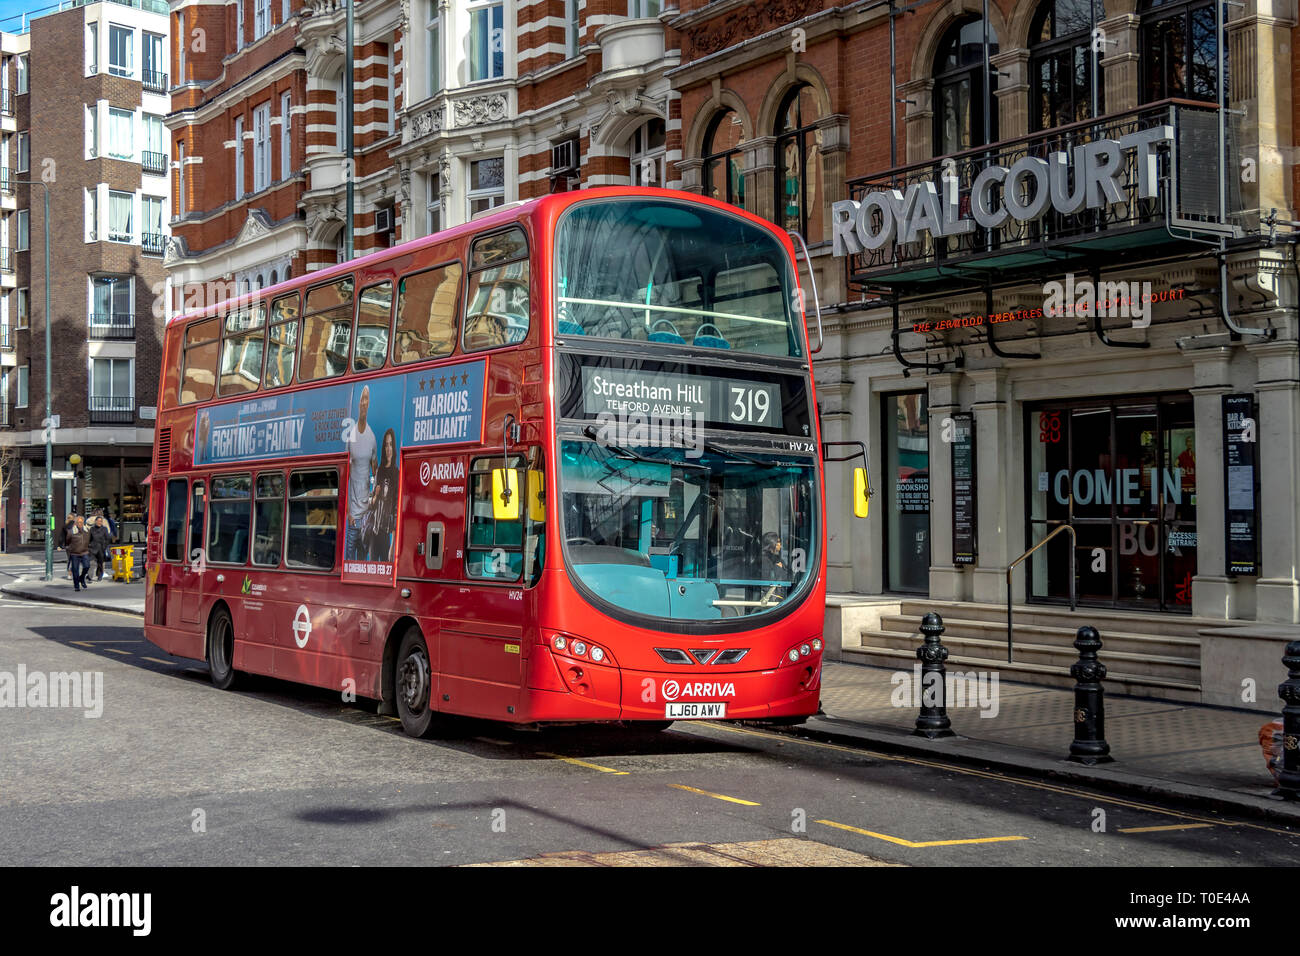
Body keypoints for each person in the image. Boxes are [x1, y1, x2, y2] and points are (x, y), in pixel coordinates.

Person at [344, 385, 378, 560]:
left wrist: (373, 498)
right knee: (348, 561)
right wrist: (349, 512)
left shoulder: (372, 438)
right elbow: (345, 476)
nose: (364, 403)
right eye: (362, 399)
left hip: (365, 518)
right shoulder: (351, 436)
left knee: (362, 564)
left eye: (367, 399)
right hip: (352, 518)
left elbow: (376, 474)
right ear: (358, 404)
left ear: (369, 404)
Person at [364, 428, 399, 562]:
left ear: (393, 447)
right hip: (374, 531)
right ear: (384, 448)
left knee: (385, 569)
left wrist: (393, 543)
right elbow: (370, 506)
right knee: (372, 568)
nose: (388, 448)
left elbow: (395, 508)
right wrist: (375, 496)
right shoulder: (379, 471)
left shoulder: (396, 473)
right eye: (386, 445)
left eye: (390, 444)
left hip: (386, 533)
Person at [65, 515, 91, 591]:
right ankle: (76, 586)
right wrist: (70, 548)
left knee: (87, 566)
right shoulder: (71, 531)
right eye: (78, 522)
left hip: (84, 552)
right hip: (74, 553)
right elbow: (68, 541)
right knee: (75, 570)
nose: (80, 524)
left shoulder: (87, 530)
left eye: (81, 522)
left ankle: (82, 578)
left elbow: (90, 539)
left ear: (83, 523)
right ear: (75, 523)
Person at [89, 516, 112, 582]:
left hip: (101, 548)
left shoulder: (104, 529)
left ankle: (99, 576)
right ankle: (90, 576)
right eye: (98, 521)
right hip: (93, 548)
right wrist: (89, 546)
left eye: (101, 521)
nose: (99, 522)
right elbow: (89, 539)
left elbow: (107, 538)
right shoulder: (92, 529)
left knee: (100, 563)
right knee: (92, 563)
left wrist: (104, 546)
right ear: (95, 521)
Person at [57, 513, 76, 579]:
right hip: (76, 545)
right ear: (74, 518)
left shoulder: (65, 526)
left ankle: (69, 574)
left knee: (70, 559)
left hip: (68, 545)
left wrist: (60, 546)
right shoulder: (76, 525)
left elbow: (61, 537)